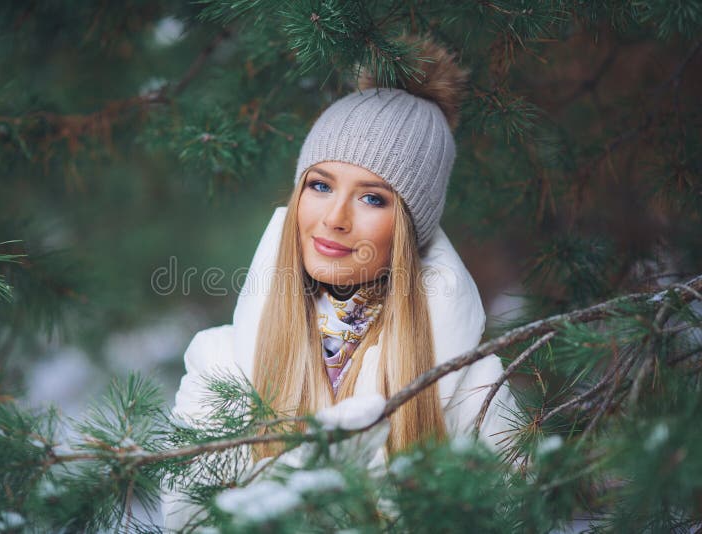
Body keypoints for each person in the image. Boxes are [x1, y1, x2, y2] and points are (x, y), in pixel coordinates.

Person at [162, 36, 515, 529]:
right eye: (320, 185)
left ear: (409, 228)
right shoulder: (219, 363)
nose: (334, 218)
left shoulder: (476, 384)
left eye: (372, 198)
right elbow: (189, 522)